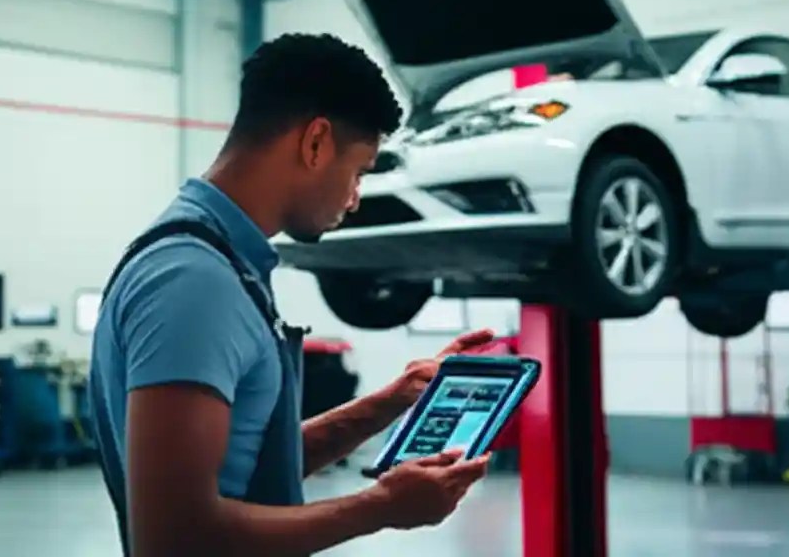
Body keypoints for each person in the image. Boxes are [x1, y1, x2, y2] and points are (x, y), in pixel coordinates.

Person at [88, 33, 496, 557]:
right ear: (315, 143)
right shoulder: (194, 280)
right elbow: (175, 537)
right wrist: (381, 507)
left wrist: (394, 399)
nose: (353, 200)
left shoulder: (216, 264)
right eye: (358, 173)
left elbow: (252, 462)